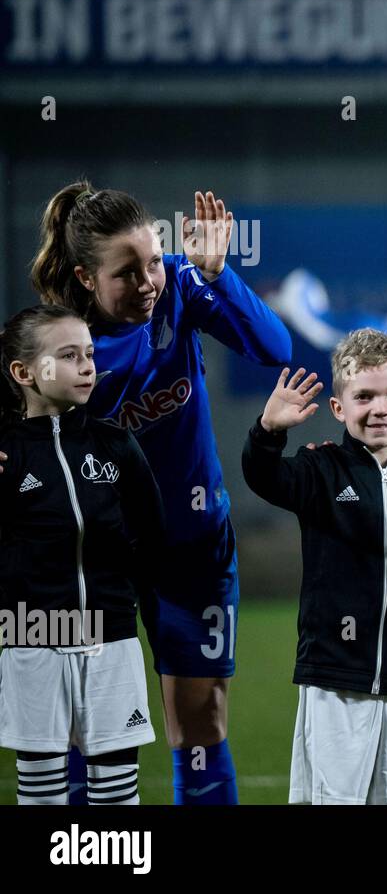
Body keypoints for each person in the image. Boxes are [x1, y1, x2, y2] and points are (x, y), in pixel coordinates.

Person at [16, 181, 294, 804]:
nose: (148, 281)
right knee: (90, 731)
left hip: (192, 545)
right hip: (99, 560)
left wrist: (217, 275)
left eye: (152, 260)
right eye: (127, 272)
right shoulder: (58, 345)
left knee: (198, 725)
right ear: (87, 278)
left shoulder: (181, 285)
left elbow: (274, 348)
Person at [241, 331, 387, 804]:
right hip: (335, 680)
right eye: (363, 396)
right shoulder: (319, 471)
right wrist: (268, 431)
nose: (379, 408)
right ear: (339, 408)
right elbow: (262, 476)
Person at [0, 304, 165, 805]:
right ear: (24, 373)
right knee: (43, 794)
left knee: (116, 794)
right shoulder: (6, 452)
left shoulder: (114, 442)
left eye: (90, 354)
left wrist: (132, 607)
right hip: (31, 638)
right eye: (69, 356)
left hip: (110, 636)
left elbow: (151, 534)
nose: (87, 365)